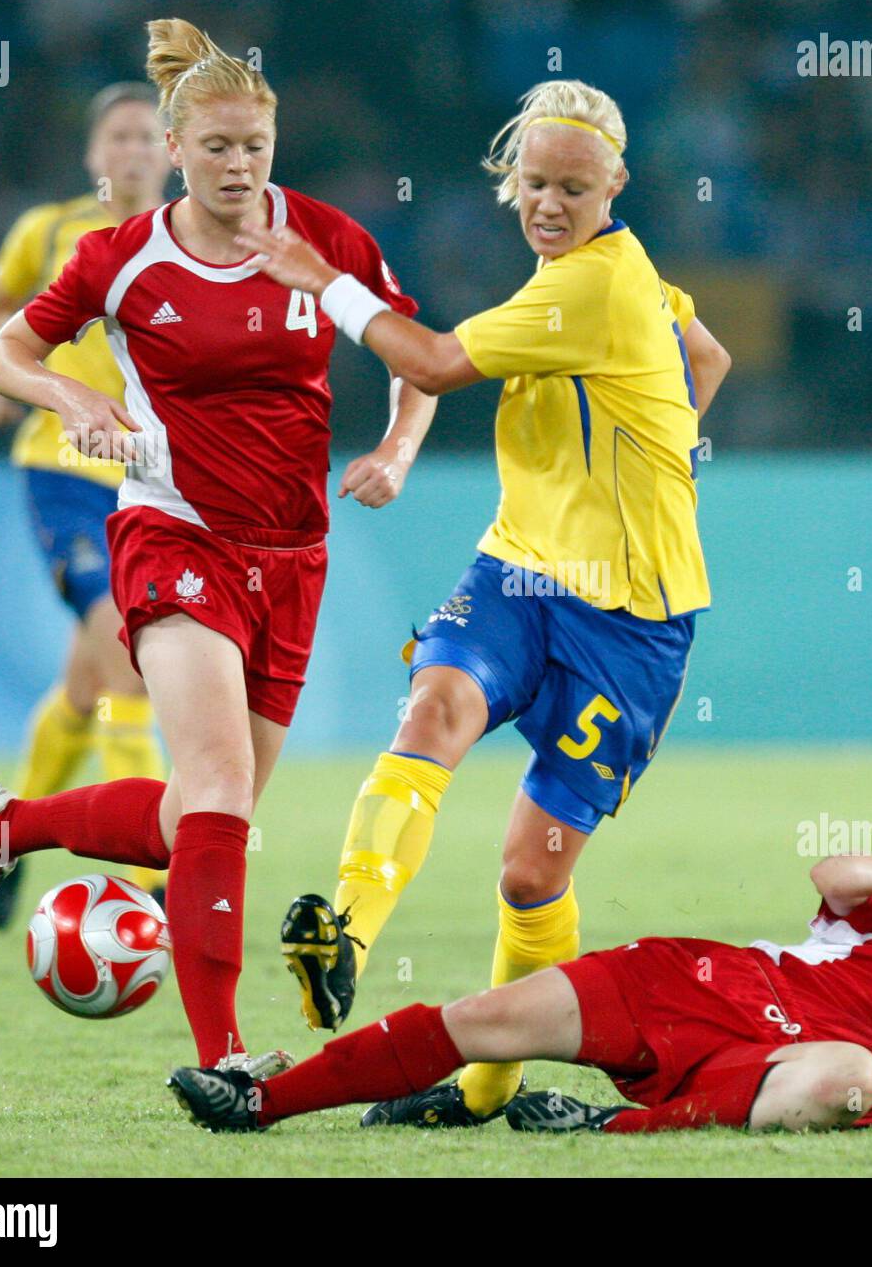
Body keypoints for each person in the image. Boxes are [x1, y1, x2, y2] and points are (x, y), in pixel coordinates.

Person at [0, 19, 436, 1078]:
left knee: (201, 819)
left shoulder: (323, 240)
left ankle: (9, 827)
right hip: (175, 532)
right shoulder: (121, 257)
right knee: (210, 782)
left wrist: (395, 445)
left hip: (295, 555)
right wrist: (69, 390)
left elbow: (414, 353)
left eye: (253, 145)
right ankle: (227, 1057)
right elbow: (5, 348)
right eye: (214, 147)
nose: (238, 165)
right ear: (173, 147)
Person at [236, 79, 732, 1126]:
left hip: (630, 622)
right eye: (535, 183)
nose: (548, 203)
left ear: (617, 187)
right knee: (433, 709)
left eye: (573, 187)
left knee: (528, 872)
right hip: (516, 570)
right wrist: (671, 440)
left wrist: (315, 277)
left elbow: (433, 358)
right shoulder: (615, 280)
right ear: (515, 179)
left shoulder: (590, 289)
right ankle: (346, 934)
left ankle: (486, 1085)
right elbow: (706, 354)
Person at [169, 849, 872, 1133]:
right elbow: (827, 874)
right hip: (685, 984)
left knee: (847, 1075)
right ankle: (264, 1098)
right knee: (477, 1020)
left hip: (757, 1071)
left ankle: (595, 1128)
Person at [0, 83, 171, 925]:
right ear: (94, 155)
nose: (131, 150)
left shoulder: (185, 241)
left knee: (89, 684)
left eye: (146, 137)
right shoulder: (49, 232)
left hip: (148, 480)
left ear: (170, 151)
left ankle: (0, 836)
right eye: (117, 137)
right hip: (58, 465)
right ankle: (161, 876)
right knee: (124, 648)